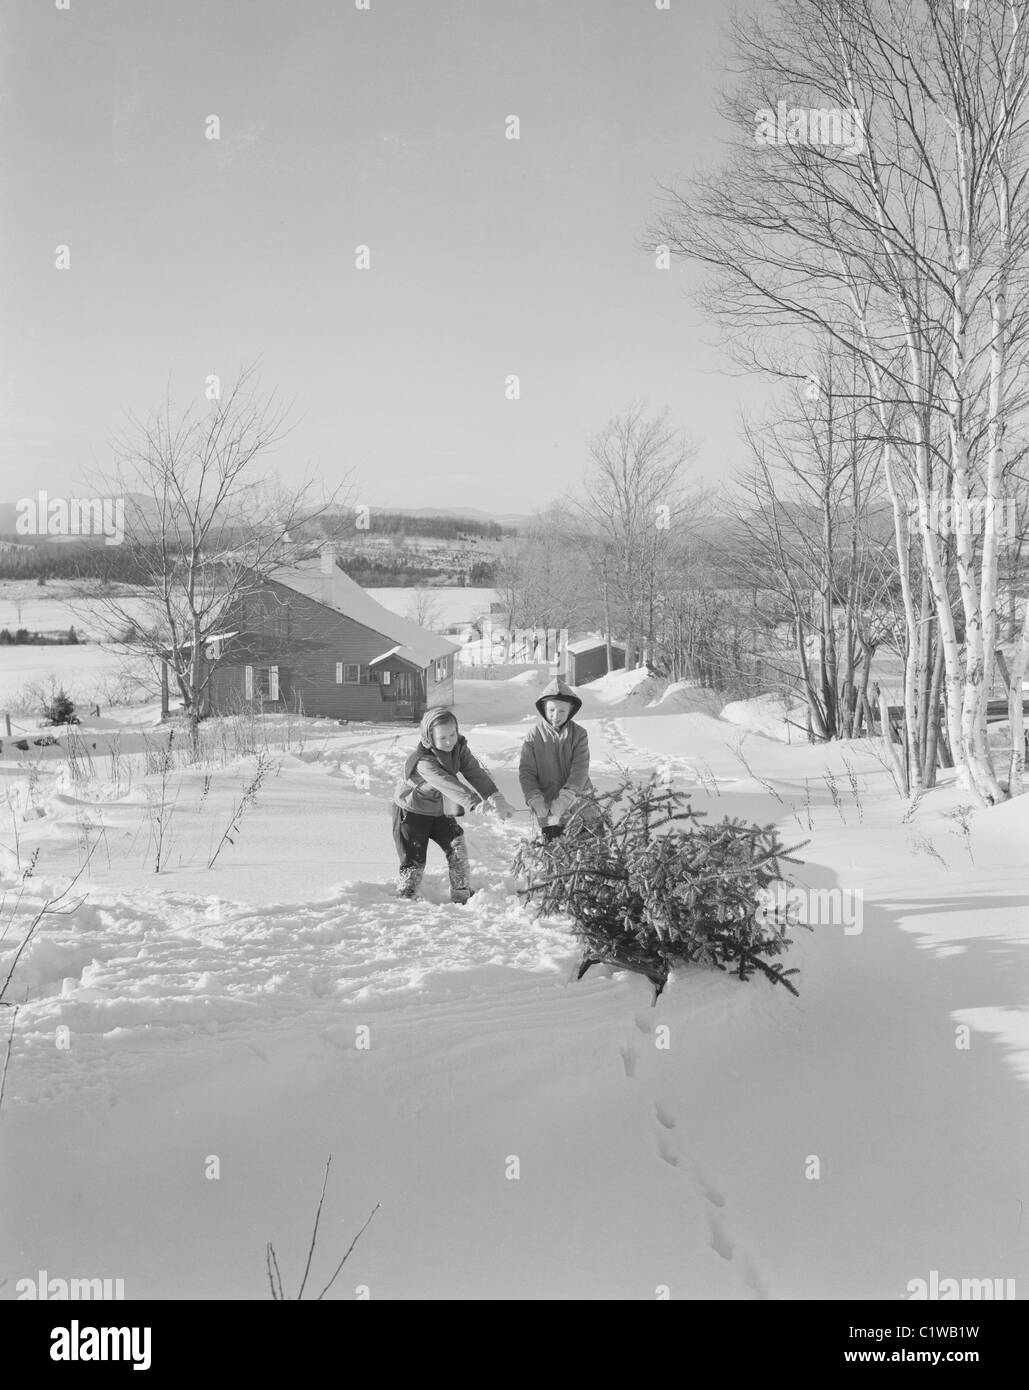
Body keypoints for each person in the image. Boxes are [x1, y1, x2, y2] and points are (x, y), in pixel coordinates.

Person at [392, 707, 514, 902]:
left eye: (452, 734)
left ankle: (462, 894)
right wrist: (477, 804)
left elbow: (474, 772)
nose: (449, 741)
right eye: (443, 737)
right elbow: (450, 785)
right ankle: (406, 897)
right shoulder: (423, 762)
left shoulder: (459, 749)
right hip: (412, 813)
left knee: (457, 848)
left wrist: (496, 797)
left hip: (440, 810)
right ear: (429, 737)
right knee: (414, 861)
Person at [518, 676, 599, 839]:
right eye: (552, 710)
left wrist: (568, 795)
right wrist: (534, 797)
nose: (556, 715)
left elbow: (580, 768)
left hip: (580, 802)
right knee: (556, 850)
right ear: (543, 709)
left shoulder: (579, 734)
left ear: (570, 710)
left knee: (593, 846)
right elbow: (527, 771)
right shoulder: (534, 736)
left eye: (562, 710)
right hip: (548, 806)